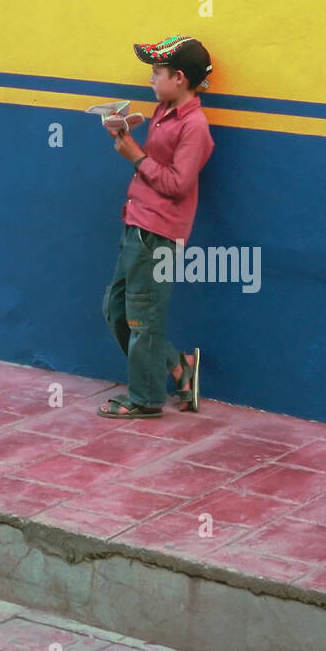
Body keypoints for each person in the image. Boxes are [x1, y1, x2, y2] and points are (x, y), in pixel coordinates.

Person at [98, 35, 215, 418]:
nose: (151, 79)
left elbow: (178, 185)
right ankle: (180, 367)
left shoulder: (195, 125)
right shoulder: (163, 111)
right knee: (118, 312)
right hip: (137, 223)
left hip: (158, 234)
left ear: (179, 78)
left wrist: (136, 156)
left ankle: (147, 399)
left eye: (157, 72)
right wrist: (127, 139)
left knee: (142, 320)